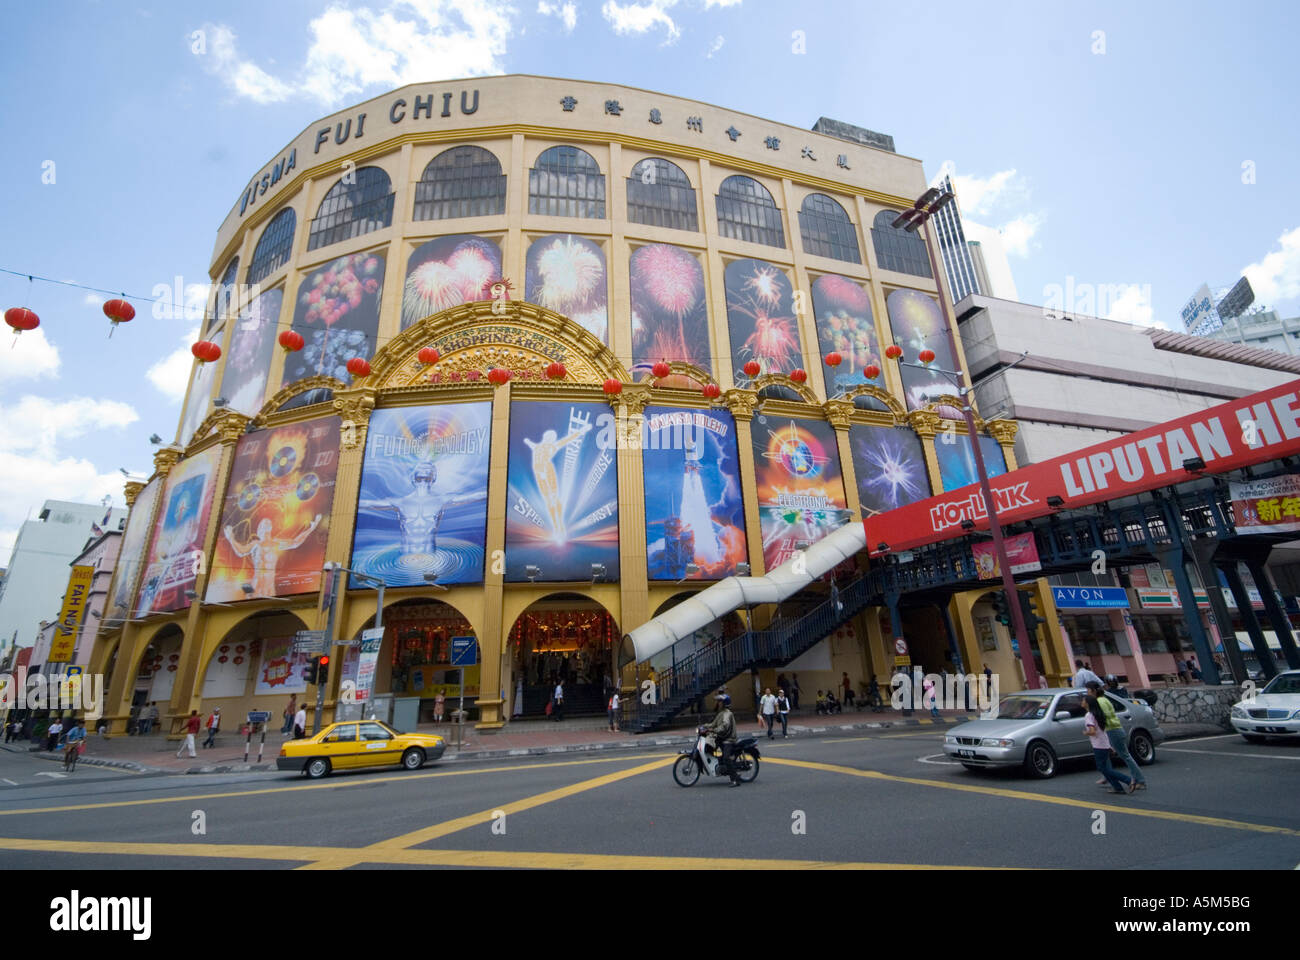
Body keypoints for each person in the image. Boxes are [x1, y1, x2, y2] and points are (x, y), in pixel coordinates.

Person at [1084, 686, 1135, 794]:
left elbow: (1093, 731)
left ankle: (1128, 780)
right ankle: (1117, 787)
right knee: (1104, 767)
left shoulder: (1089, 715)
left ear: (1088, 704)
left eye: (1083, 700)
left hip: (1098, 745)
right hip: (1103, 743)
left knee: (1103, 768)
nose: (1082, 702)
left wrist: (1086, 732)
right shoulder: (1097, 714)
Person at [701, 692, 741, 786]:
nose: (717, 703)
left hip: (728, 739)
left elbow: (725, 726)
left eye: (719, 702)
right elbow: (713, 724)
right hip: (722, 737)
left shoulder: (727, 714)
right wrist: (704, 726)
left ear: (724, 703)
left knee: (726, 758)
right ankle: (720, 765)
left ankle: (735, 779)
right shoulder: (721, 713)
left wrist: (713, 730)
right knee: (710, 747)